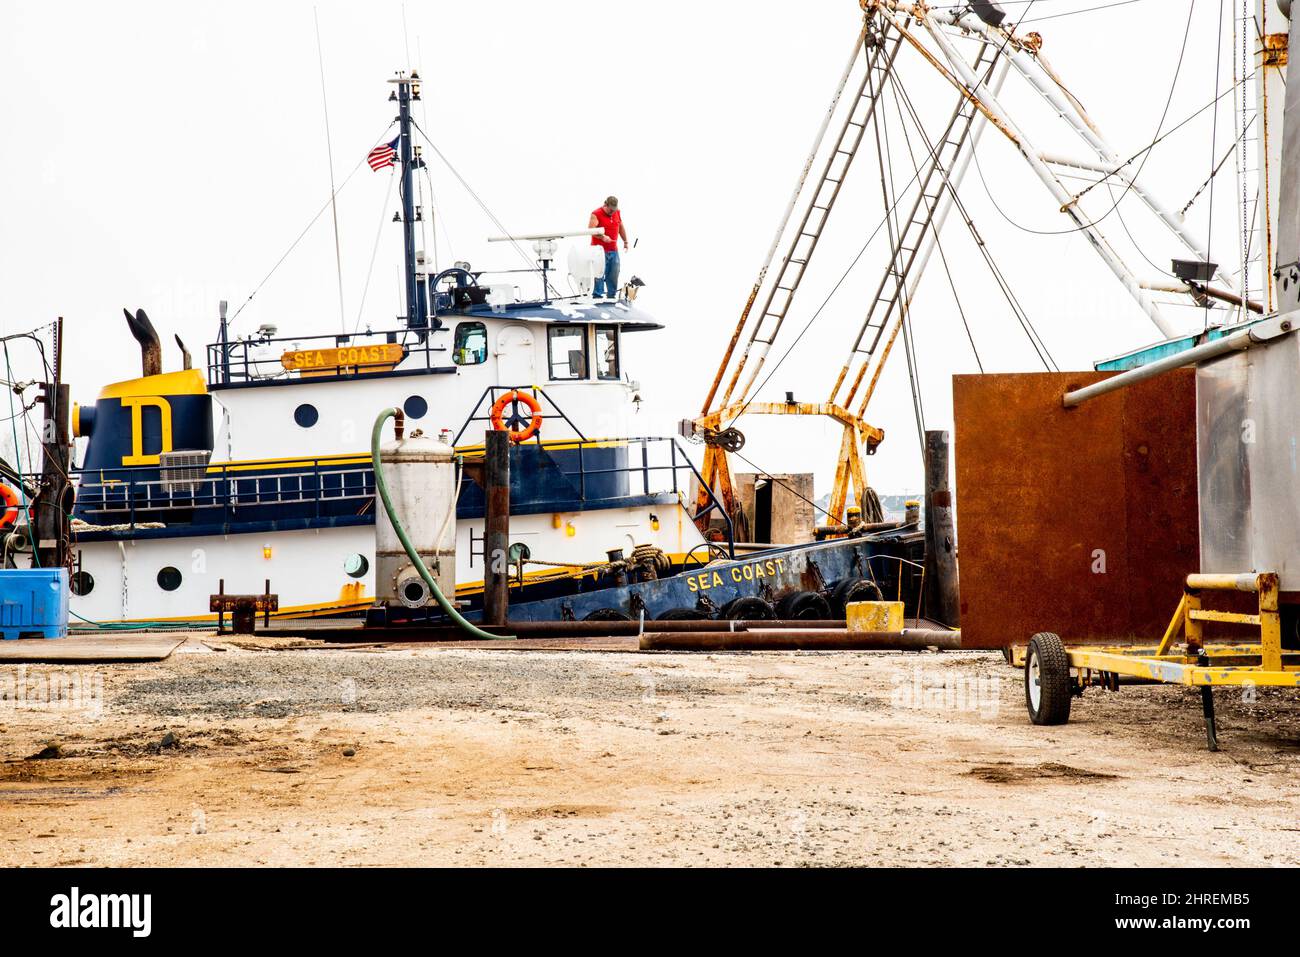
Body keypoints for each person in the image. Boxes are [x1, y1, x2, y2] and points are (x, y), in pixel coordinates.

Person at [589, 195, 628, 299]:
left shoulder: (617, 213)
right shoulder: (596, 214)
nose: (612, 212)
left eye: (614, 210)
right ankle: (598, 296)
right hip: (599, 251)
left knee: (614, 273)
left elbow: (620, 226)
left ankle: (611, 296)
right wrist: (602, 237)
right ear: (605, 205)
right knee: (599, 274)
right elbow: (591, 230)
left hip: (613, 250)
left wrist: (625, 241)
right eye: (611, 210)